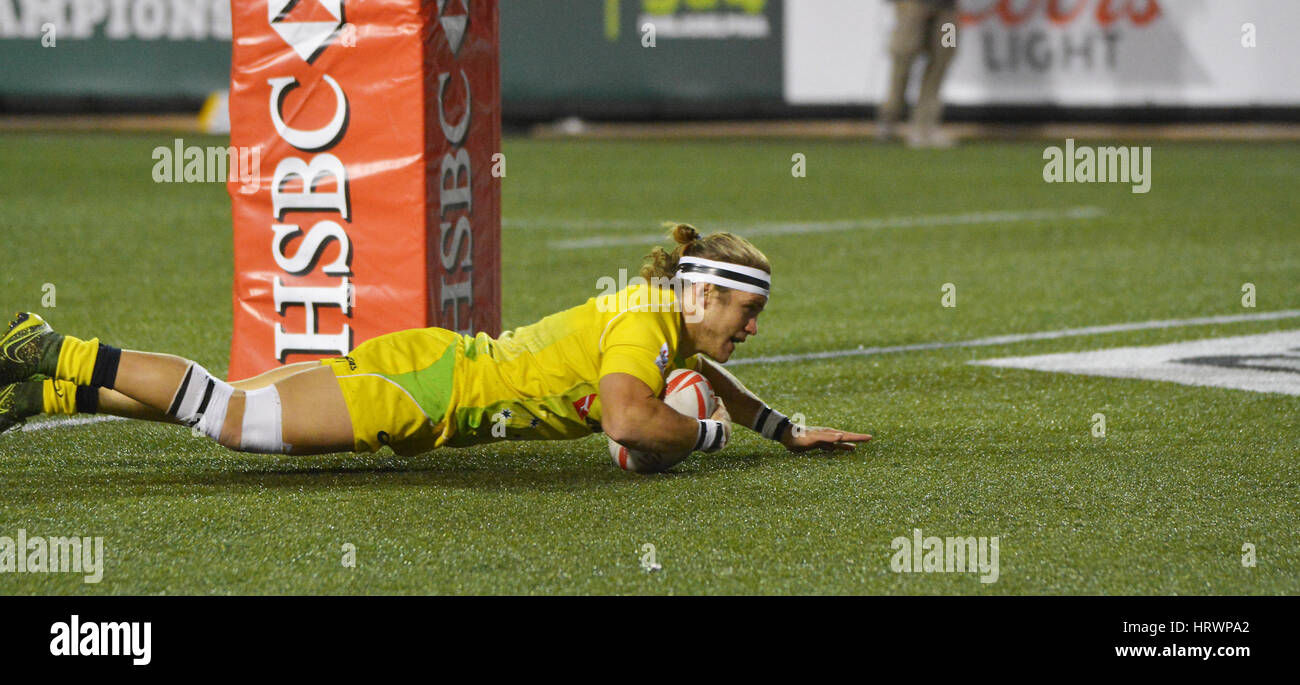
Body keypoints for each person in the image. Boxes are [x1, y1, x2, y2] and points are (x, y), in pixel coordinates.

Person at [0, 225, 870, 472]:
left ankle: (39, 395)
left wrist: (778, 425)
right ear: (703, 293)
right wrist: (711, 436)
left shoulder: (658, 313)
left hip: (432, 366)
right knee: (232, 420)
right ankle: (49, 347)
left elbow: (700, 372)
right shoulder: (645, 324)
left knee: (227, 398)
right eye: (745, 309)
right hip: (426, 389)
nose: (751, 328)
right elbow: (631, 417)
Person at [876, 0, 959, 148]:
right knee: (904, 55)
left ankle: (925, 125)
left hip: (947, 9)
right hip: (912, 5)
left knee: (943, 55)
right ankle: (890, 115)